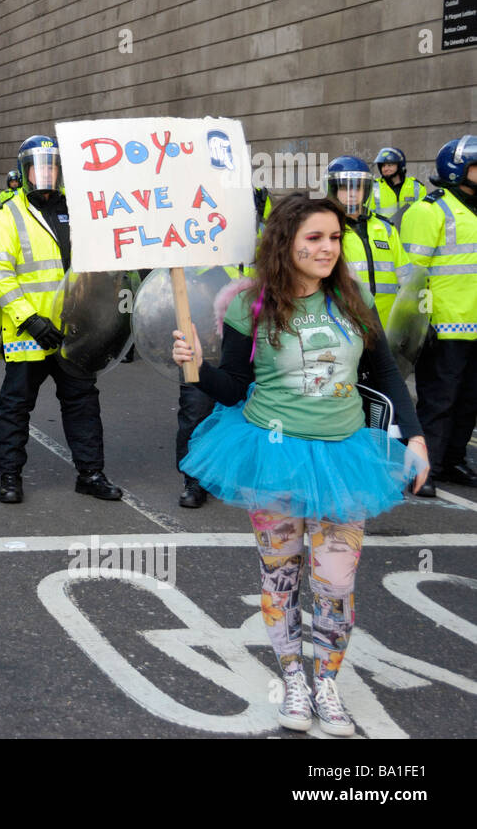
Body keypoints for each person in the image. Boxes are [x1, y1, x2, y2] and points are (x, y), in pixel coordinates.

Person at [173, 192, 428, 735]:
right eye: (314, 237)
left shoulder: (354, 300)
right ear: (285, 242)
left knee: (335, 583)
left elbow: (385, 374)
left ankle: (328, 685)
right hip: (274, 454)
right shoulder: (250, 305)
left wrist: (417, 438)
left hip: (344, 457)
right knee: (282, 577)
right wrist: (196, 366)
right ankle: (293, 678)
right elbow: (235, 387)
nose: (327, 248)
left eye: (335, 238)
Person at [0, 135, 123, 504]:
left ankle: (91, 473)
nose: (45, 173)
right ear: (24, 172)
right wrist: (28, 319)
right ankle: (9, 476)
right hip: (29, 332)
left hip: (74, 330)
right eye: (37, 167)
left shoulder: (80, 211)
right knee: (15, 406)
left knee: (82, 403)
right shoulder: (7, 215)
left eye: (51, 167)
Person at [399, 136, 477, 496]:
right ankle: (421, 468)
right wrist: (417, 324)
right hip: (444, 327)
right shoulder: (429, 210)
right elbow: (409, 275)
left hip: (474, 326)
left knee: (468, 401)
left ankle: (452, 461)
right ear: (457, 170)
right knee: (438, 401)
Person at [327, 156, 406, 323]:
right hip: (343, 320)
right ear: (333, 190)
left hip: (387, 322)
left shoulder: (385, 228)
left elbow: (406, 277)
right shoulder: (326, 229)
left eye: (358, 188)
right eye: (344, 188)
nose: (352, 194)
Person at [370, 147, 427, 224]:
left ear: (400, 165)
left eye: (390, 165)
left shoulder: (417, 187)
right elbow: (369, 215)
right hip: (384, 234)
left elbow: (424, 215)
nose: (385, 169)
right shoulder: (373, 187)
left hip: (410, 233)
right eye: (383, 166)